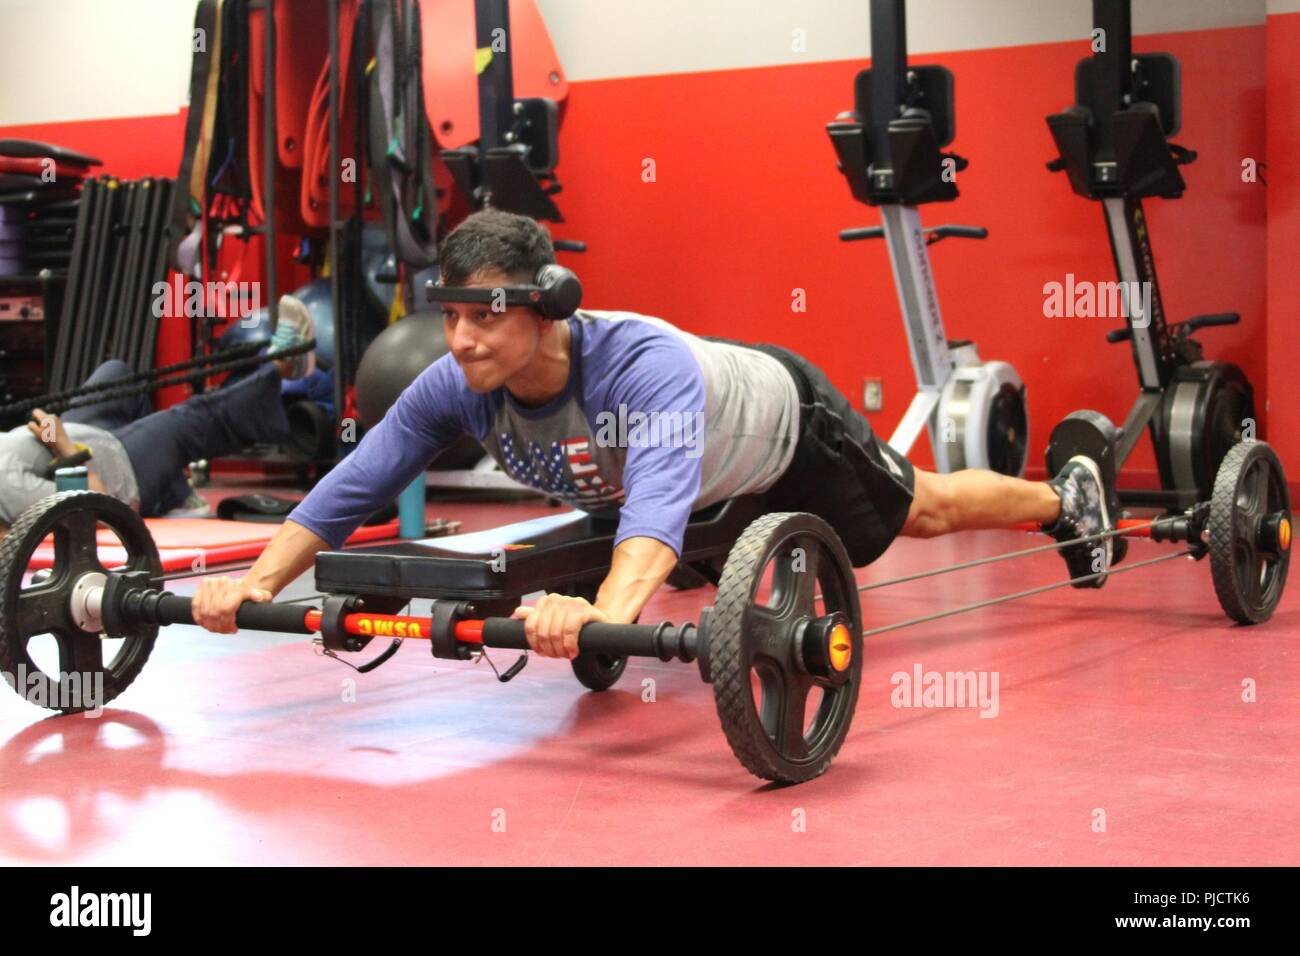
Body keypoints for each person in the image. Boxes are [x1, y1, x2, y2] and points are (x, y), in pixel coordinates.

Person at [192, 210, 1117, 657]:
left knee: (923, 509)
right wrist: (258, 582)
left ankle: (1061, 496)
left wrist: (604, 614)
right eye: (453, 315)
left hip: (789, 424)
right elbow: (356, 481)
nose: (463, 336)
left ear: (546, 310)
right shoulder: (459, 381)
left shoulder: (640, 368)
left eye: (485, 316)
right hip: (715, 473)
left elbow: (658, 502)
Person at [0, 297, 317, 540]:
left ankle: (174, 493)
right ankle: (286, 364)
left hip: (80, 435)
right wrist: (65, 446)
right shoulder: (9, 485)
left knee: (115, 373)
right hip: (117, 477)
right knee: (191, 418)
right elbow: (94, 509)